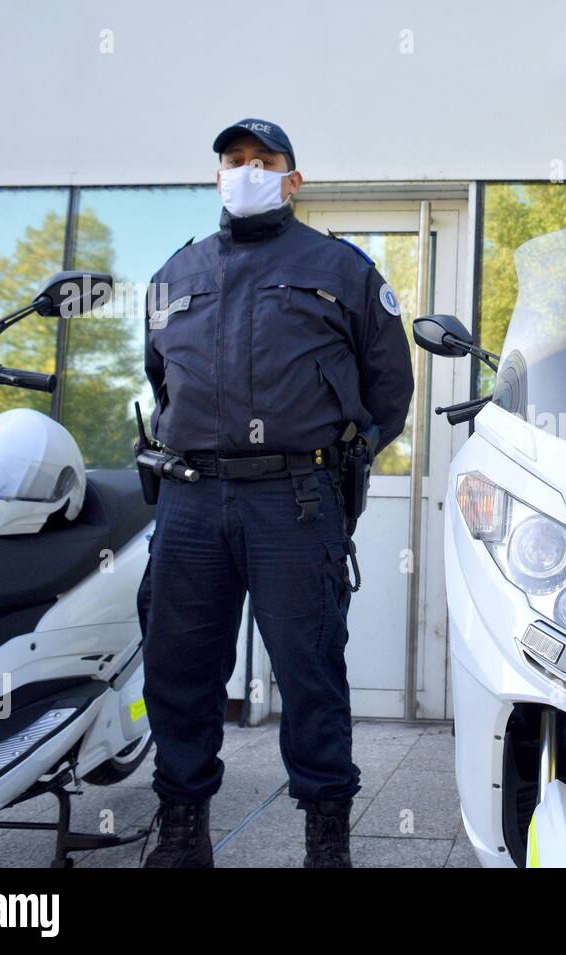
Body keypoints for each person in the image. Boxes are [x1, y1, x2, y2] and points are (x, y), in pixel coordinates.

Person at [136, 118, 414, 867]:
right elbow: (162, 381)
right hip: (191, 500)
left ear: (294, 179)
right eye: (235, 160)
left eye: (265, 160)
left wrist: (335, 461)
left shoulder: (342, 268)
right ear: (217, 174)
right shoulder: (175, 275)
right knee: (180, 667)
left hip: (294, 499)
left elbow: (390, 389)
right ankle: (183, 829)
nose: (248, 170)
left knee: (310, 666)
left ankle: (326, 837)